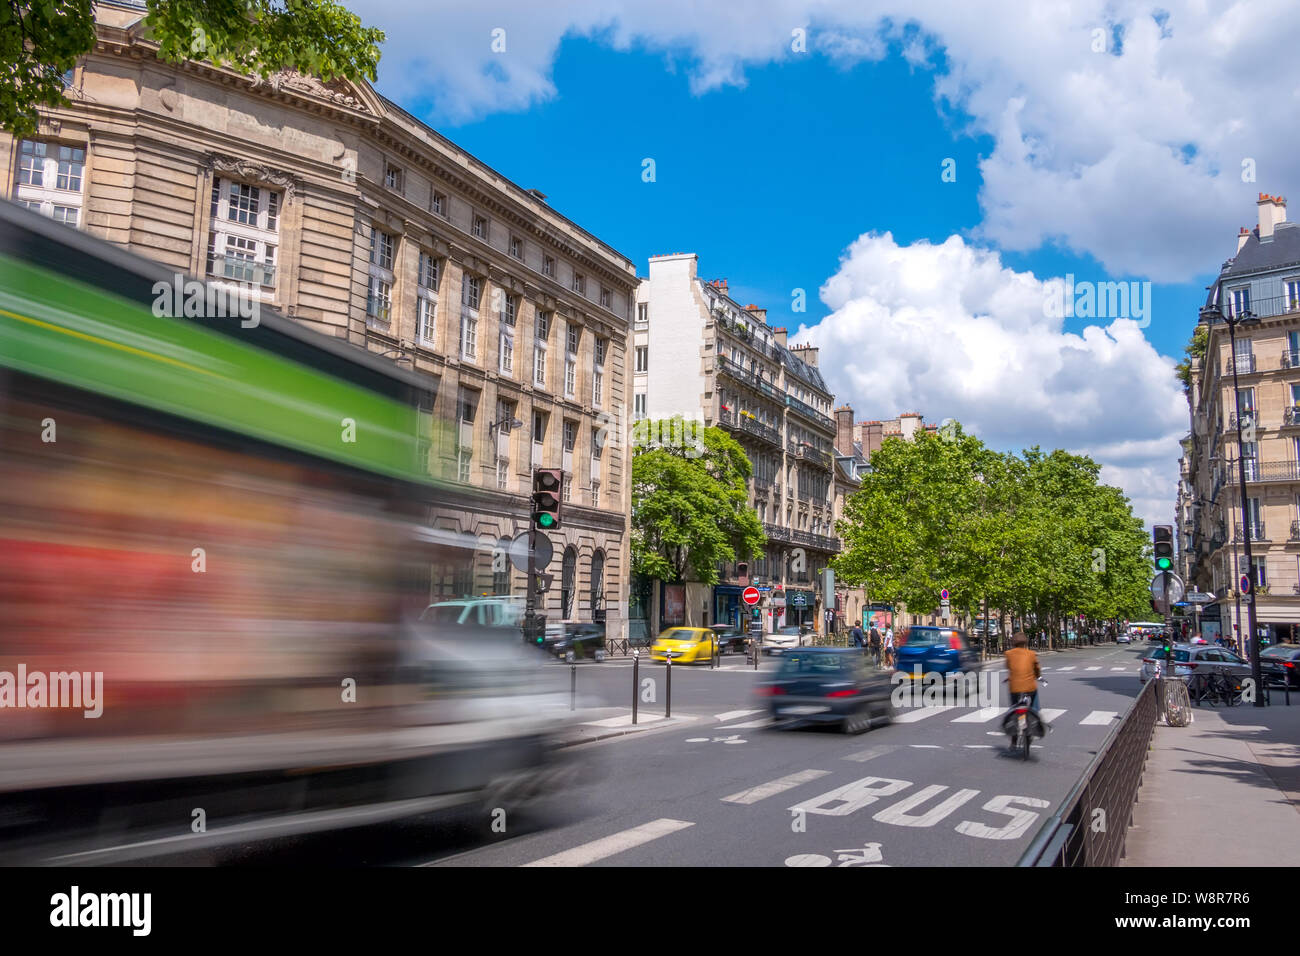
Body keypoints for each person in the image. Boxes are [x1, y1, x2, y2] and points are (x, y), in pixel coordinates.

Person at [1005, 631, 1041, 712]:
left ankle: (1012, 712)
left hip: (1014, 686)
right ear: (1025, 642)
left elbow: (1008, 667)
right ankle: (1035, 714)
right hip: (1029, 686)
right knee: (1034, 699)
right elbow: (1037, 668)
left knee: (1013, 704)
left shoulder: (1008, 653)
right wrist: (1038, 676)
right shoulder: (1031, 653)